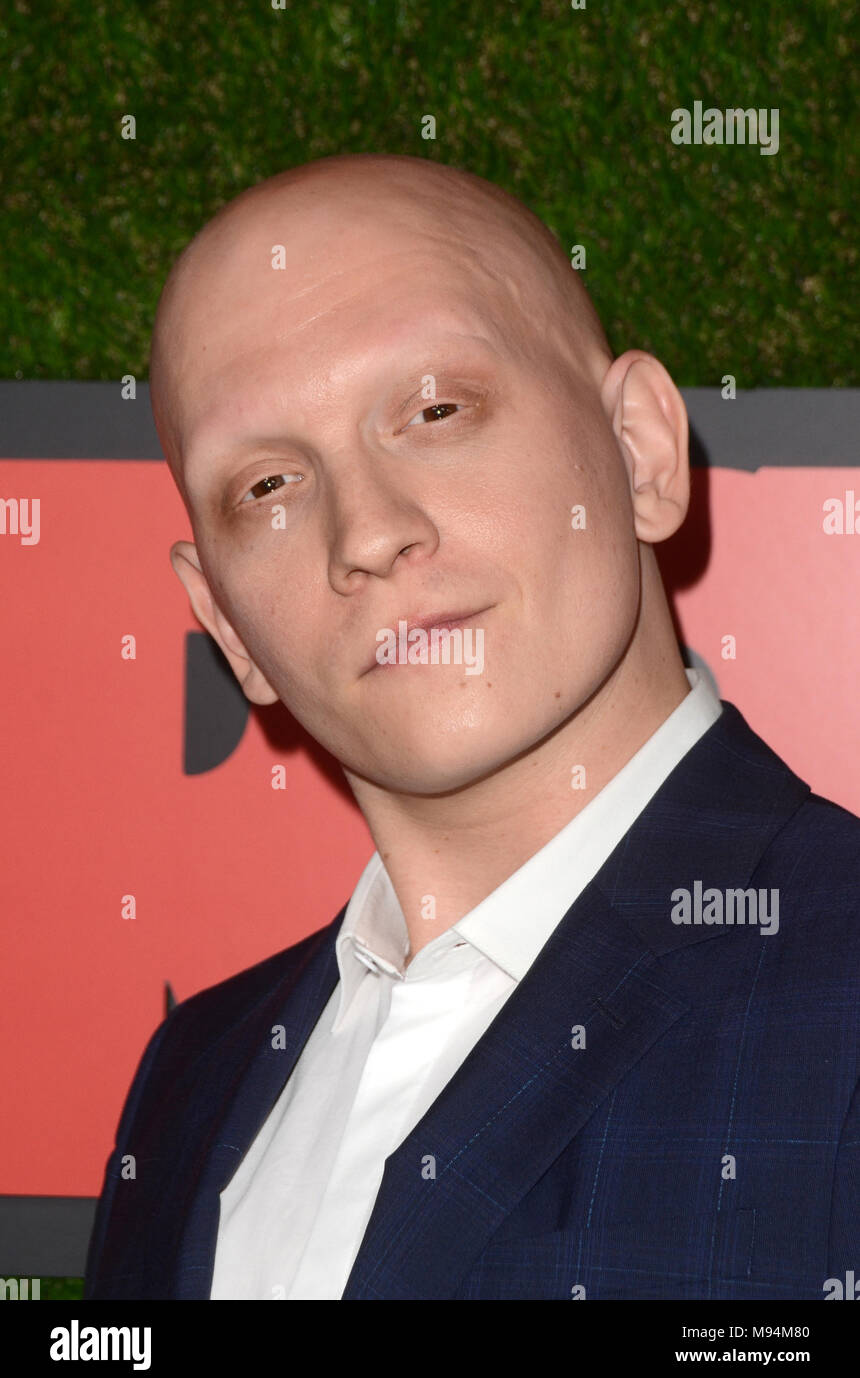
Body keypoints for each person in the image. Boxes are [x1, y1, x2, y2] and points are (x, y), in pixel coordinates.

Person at [84, 153, 859, 1300]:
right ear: (224, 625)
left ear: (638, 450)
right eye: (267, 487)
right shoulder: (189, 1081)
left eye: (435, 409)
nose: (366, 530)